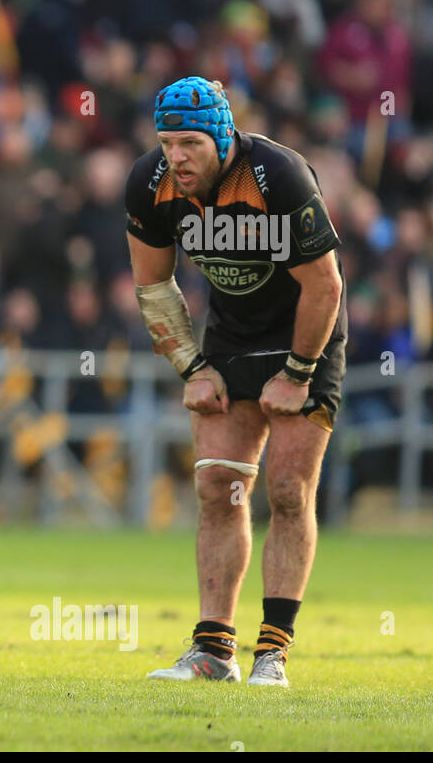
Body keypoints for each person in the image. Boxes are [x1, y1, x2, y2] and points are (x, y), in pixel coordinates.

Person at [124, 77, 345, 687]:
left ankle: (271, 652)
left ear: (223, 138)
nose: (177, 156)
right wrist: (192, 369)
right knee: (218, 485)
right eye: (167, 143)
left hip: (308, 332)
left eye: (191, 142)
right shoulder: (151, 181)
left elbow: (324, 286)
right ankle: (212, 651)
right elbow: (153, 285)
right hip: (232, 337)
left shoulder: (280, 174)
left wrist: (298, 374)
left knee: (289, 491)